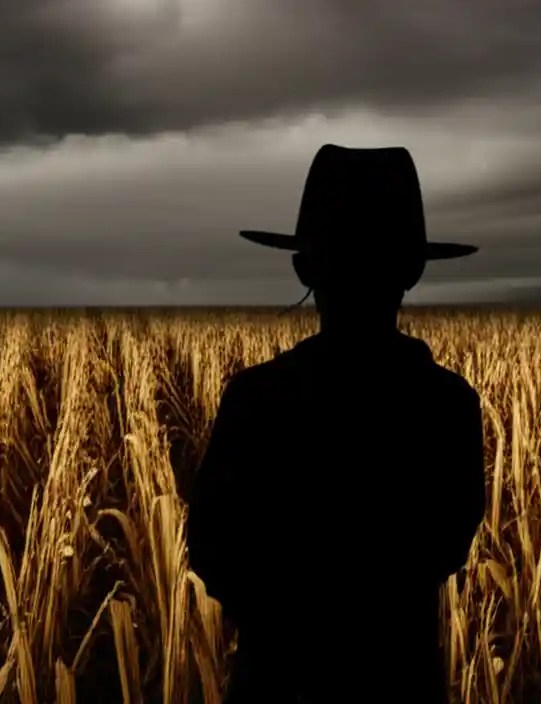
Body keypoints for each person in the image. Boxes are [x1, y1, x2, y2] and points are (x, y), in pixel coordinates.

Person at [185, 144, 486, 704]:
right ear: (412, 273)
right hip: (400, 684)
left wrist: (285, 612)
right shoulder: (449, 406)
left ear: (305, 267)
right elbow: (447, 547)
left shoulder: (255, 400)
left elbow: (210, 547)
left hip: (274, 684)